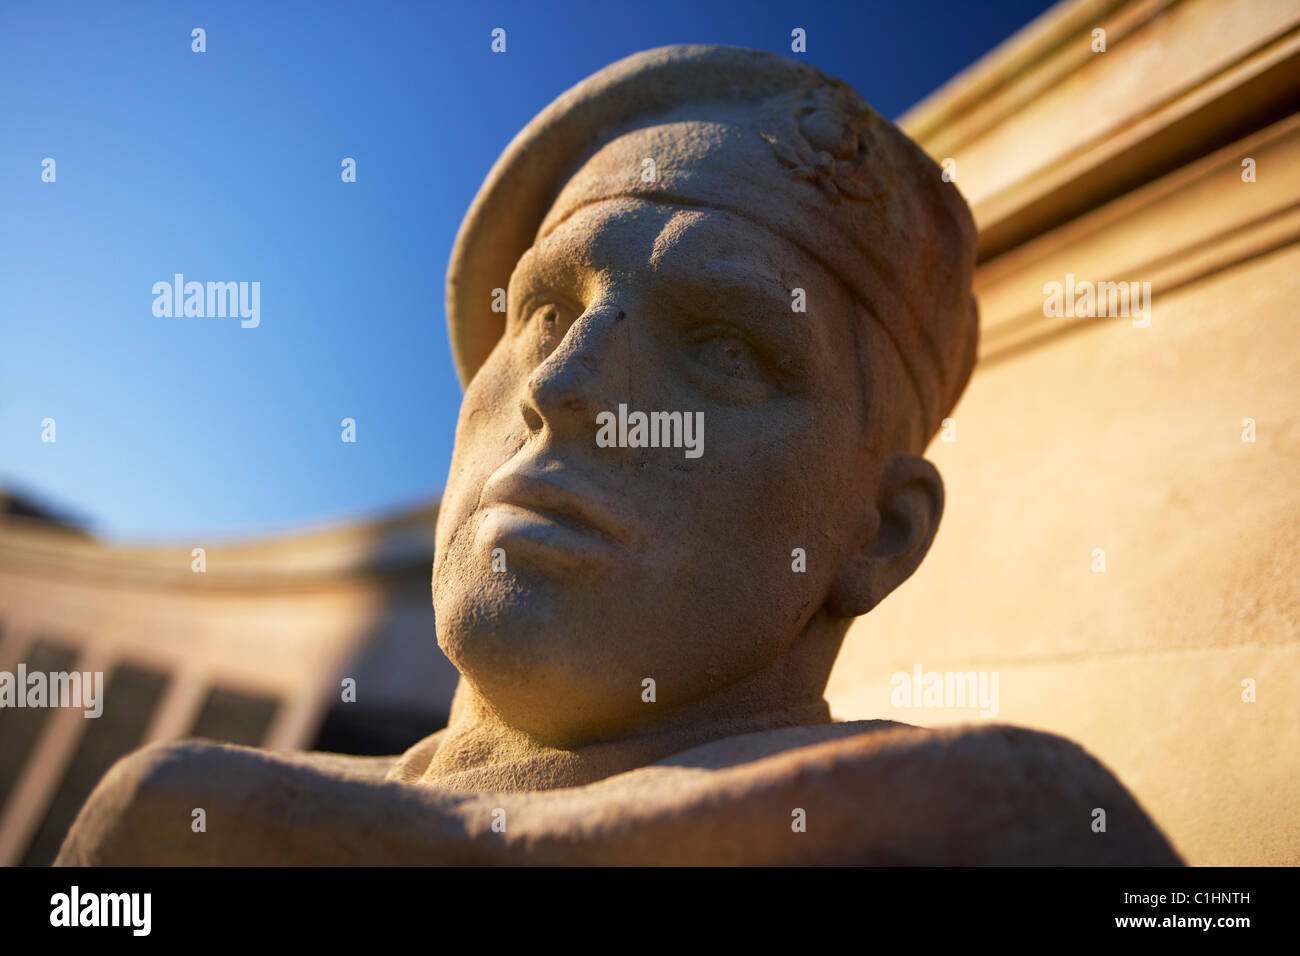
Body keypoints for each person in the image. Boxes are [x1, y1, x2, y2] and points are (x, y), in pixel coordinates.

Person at [57, 45, 1181, 866]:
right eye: (544, 312)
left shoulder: (995, 824)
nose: (563, 385)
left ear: (877, 533)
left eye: (727, 347)